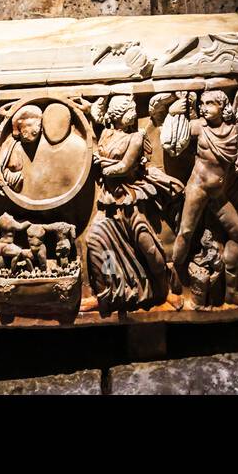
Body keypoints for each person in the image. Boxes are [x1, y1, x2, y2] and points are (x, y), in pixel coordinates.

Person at [84, 95, 183, 313]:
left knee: (147, 247)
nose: (133, 113)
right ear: (119, 114)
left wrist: (103, 165)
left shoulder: (137, 137)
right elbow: (97, 148)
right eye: (129, 109)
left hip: (131, 200)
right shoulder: (107, 133)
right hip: (109, 203)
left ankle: (164, 290)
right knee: (98, 245)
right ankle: (106, 295)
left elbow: (124, 168)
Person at [170, 89, 238, 306]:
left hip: (218, 194)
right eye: (203, 103)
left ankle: (231, 292)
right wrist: (176, 108)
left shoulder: (237, 131)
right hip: (198, 188)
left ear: (224, 106)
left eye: (211, 103)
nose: (205, 108)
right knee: (185, 232)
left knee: (237, 232)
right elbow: (173, 134)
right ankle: (174, 279)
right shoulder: (199, 127)